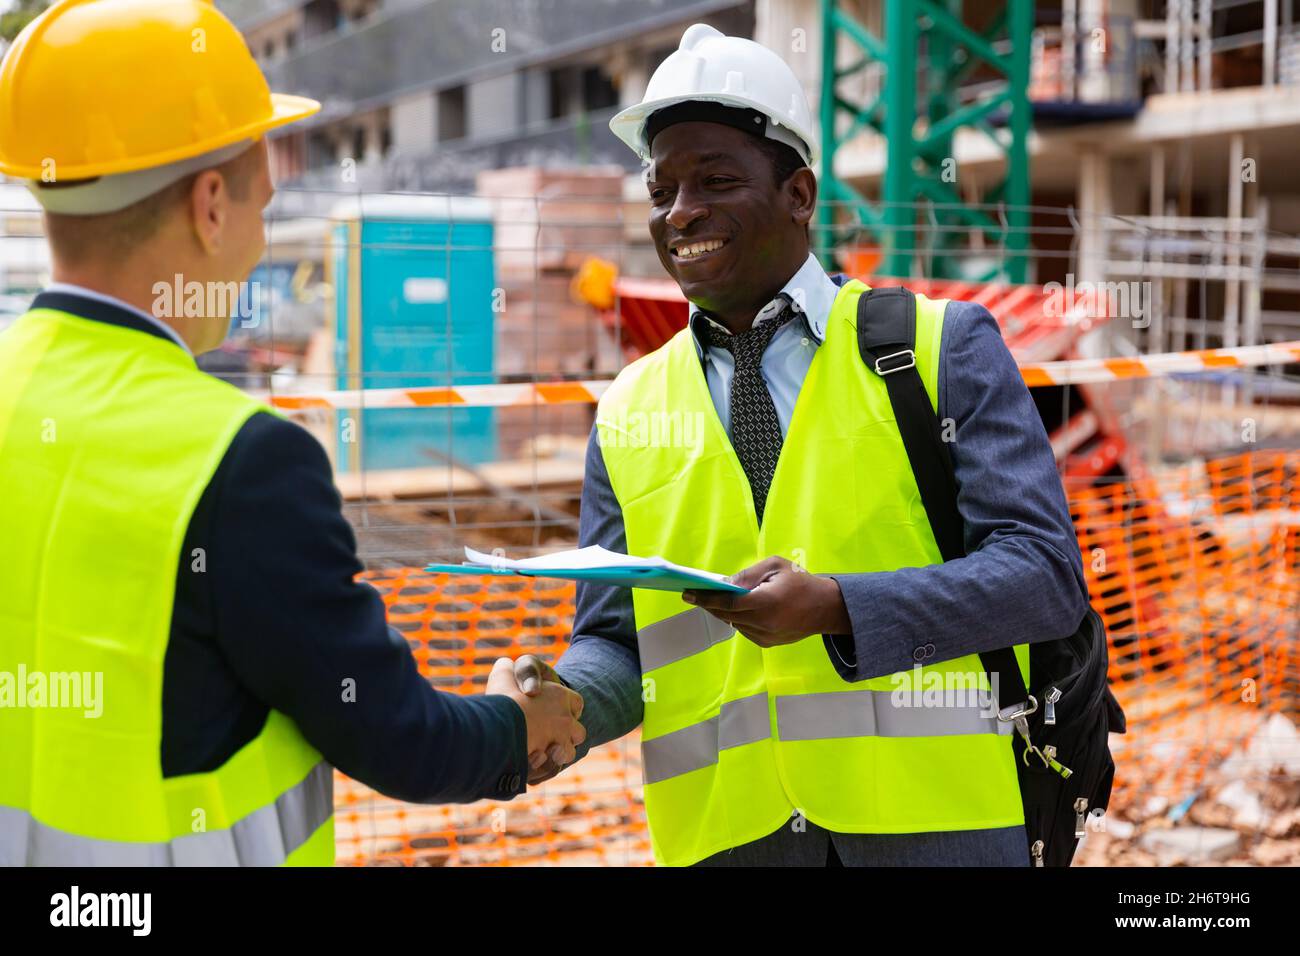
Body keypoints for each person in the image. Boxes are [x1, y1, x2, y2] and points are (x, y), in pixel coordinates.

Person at [0, 0, 582, 867]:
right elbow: (392, 732)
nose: (259, 241)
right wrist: (511, 727)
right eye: (261, 206)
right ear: (208, 207)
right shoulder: (240, 461)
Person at [513, 23, 1089, 867]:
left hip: (936, 829)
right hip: (728, 839)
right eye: (661, 190)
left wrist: (838, 608)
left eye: (714, 179)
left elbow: (1044, 578)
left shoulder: (937, 349)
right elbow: (616, 640)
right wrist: (562, 701)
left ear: (799, 194)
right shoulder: (630, 407)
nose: (682, 213)